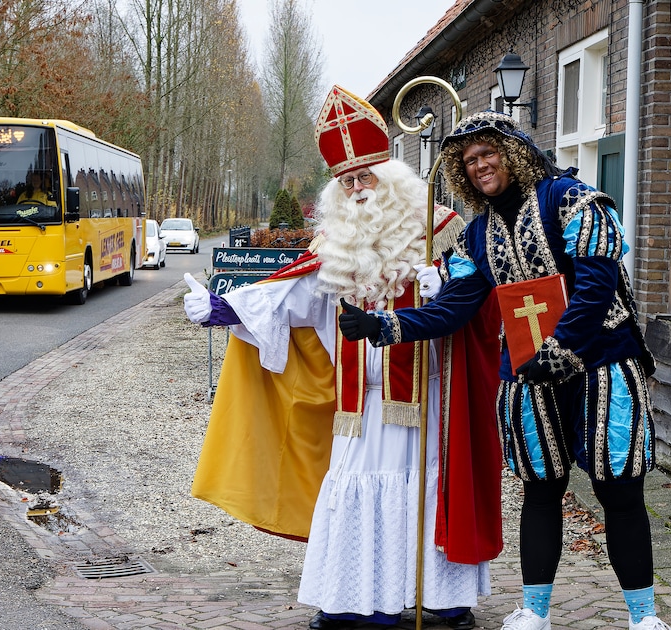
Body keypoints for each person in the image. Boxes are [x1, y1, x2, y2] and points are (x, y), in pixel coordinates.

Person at [182, 86, 504, 630]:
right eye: (347, 181)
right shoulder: (333, 244)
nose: (357, 188)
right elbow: (292, 297)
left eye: (366, 176)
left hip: (430, 397)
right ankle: (355, 601)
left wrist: (442, 283)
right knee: (355, 484)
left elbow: (478, 305)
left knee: (428, 486)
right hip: (358, 404)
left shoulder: (442, 231)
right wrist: (221, 307)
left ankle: (443, 600)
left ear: (390, 175)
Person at [338, 110, 667, 630]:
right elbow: (456, 306)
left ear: (513, 152)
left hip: (602, 364)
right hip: (529, 377)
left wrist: (560, 349)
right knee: (541, 490)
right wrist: (384, 327)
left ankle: (644, 618)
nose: (480, 166)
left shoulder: (573, 200)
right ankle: (535, 613)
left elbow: (597, 281)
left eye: (488, 153)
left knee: (619, 490)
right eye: (469, 161)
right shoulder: (477, 235)